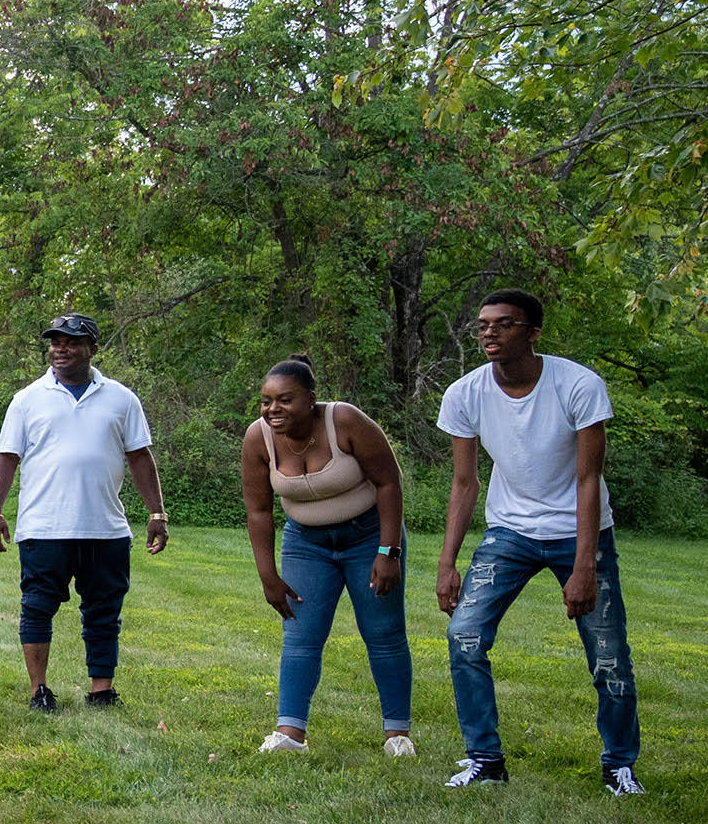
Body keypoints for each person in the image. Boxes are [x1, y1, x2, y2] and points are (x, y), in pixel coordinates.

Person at [435, 289, 644, 794]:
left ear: (532, 333)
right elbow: (465, 483)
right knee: (464, 635)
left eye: (504, 324)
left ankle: (619, 765)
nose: (489, 331)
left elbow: (588, 479)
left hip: (580, 530)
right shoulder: (465, 393)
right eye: (483, 324)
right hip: (509, 532)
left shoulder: (578, 385)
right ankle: (485, 760)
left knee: (608, 652)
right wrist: (447, 563)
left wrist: (585, 567)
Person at [0, 313, 166, 712]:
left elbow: (139, 457)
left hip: (106, 528)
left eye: (70, 341)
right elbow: (6, 459)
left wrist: (157, 513)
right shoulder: (26, 399)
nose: (60, 348)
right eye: (54, 342)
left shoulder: (121, 398)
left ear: (93, 348)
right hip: (43, 527)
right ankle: (39, 691)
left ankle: (101, 690)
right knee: (37, 606)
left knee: (104, 611)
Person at [239, 354, 413, 756]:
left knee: (383, 633)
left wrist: (389, 551)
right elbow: (258, 510)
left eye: (285, 400)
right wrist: (268, 576)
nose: (272, 409)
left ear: (311, 399)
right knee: (300, 635)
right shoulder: (258, 438)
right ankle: (289, 734)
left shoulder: (345, 421)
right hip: (307, 543)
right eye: (266, 401)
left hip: (369, 536)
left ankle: (397, 734)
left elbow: (389, 483)